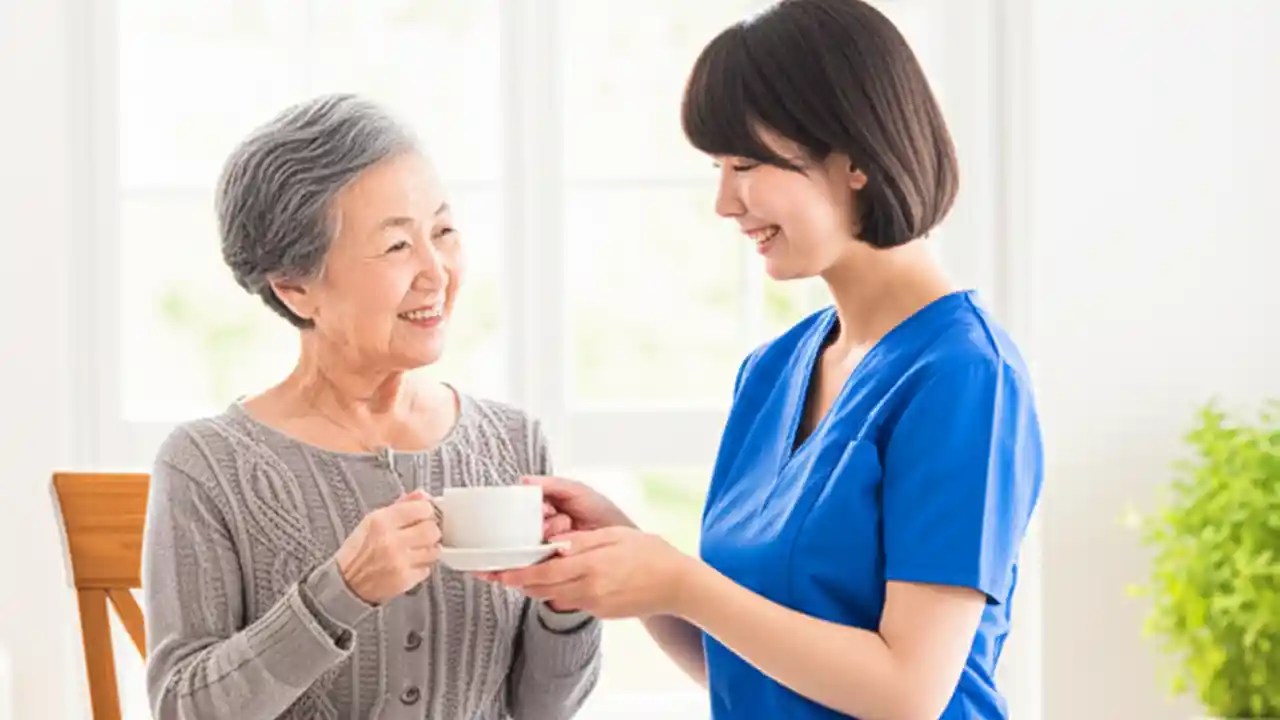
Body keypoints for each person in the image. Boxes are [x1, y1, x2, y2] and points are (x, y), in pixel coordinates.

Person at [484, 1, 1043, 718]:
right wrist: (632, 557)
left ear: (855, 159)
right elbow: (746, 669)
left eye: (745, 164)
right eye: (718, 167)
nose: (724, 201)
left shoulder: (964, 376)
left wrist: (681, 581)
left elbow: (908, 692)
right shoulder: (774, 369)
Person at [141, 94, 601, 720]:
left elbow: (541, 710)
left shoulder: (513, 442)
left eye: (442, 232)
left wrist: (568, 601)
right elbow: (180, 708)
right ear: (295, 288)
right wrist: (339, 592)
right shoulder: (207, 464)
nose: (437, 273)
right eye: (396, 246)